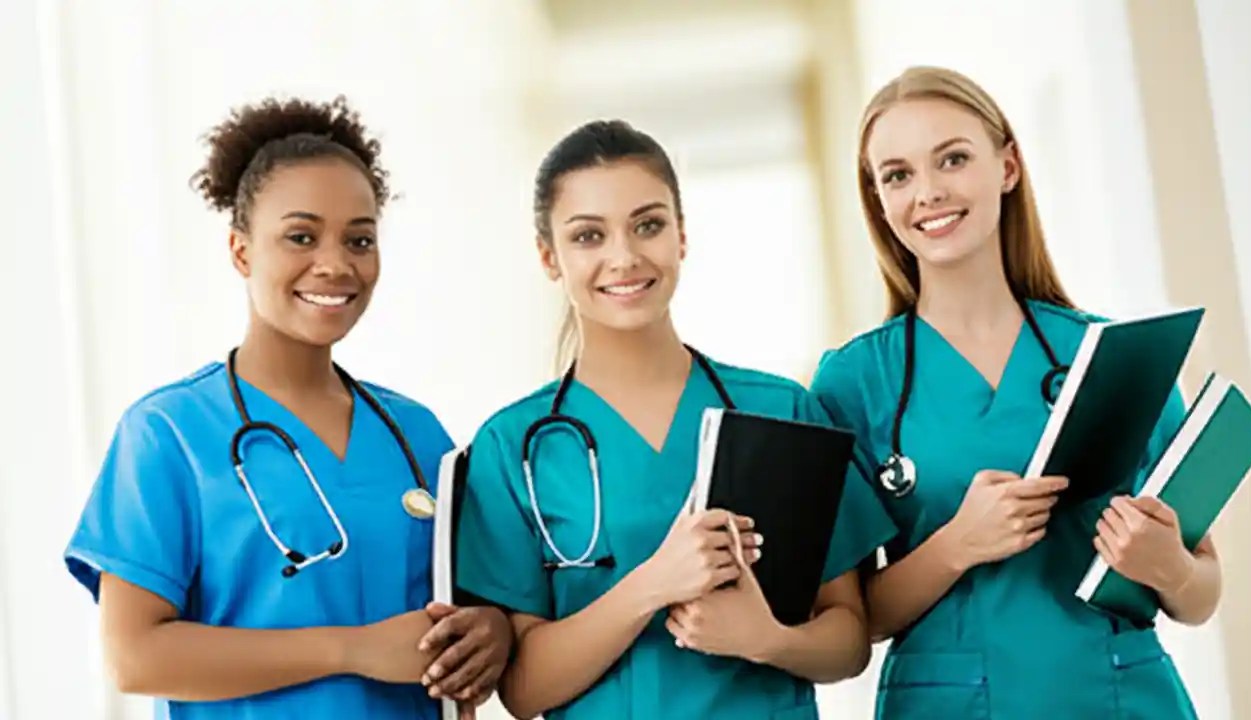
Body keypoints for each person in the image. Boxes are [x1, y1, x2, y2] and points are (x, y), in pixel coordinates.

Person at [63, 95, 512, 719]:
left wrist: (490, 631)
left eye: (360, 239)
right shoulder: (168, 433)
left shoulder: (418, 434)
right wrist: (350, 649)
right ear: (241, 250)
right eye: (301, 236)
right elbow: (134, 657)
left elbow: (479, 603)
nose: (335, 264)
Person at [810, 65, 1222, 719]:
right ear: (879, 200)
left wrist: (1166, 564)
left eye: (952, 159)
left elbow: (1201, 591)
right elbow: (853, 624)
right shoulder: (854, 382)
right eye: (898, 175)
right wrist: (956, 545)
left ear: (1007, 166)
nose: (928, 192)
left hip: (1121, 698)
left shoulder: (1115, 355)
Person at [454, 119, 895, 720]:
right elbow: (525, 690)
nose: (624, 257)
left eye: (648, 225)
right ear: (548, 257)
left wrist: (765, 638)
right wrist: (654, 584)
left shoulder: (780, 410)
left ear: (681, 236)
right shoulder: (512, 445)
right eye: (588, 236)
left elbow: (848, 640)